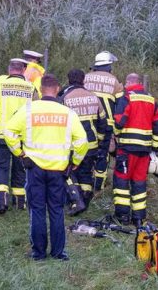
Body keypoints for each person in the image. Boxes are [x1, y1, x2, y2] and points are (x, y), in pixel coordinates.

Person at [4, 74, 88, 261]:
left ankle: (38, 253)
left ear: (41, 89)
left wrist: (21, 154)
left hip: (34, 168)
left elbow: (8, 132)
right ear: (58, 89)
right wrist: (75, 162)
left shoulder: (28, 109)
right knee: (57, 210)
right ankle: (59, 253)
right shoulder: (68, 113)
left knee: (37, 210)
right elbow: (82, 141)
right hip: (59, 169)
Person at [0, 58, 39, 213]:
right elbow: (37, 112)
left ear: (9, 69)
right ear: (23, 70)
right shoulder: (31, 88)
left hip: (1, 136)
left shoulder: (0, 84)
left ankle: (2, 202)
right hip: (22, 138)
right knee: (20, 169)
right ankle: (20, 203)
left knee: (0, 168)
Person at [112, 73, 158, 226]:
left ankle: (122, 217)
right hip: (144, 151)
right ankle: (139, 218)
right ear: (140, 83)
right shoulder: (151, 100)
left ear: (128, 83)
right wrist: (155, 147)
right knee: (139, 183)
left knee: (121, 182)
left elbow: (120, 121)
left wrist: (114, 134)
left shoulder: (127, 97)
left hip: (127, 150)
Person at [59, 69, 110, 214]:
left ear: (69, 80)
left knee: (69, 172)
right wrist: (99, 140)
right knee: (86, 173)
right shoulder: (94, 97)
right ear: (83, 80)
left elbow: (62, 122)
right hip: (91, 144)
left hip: (73, 145)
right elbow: (102, 123)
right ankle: (86, 198)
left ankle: (76, 201)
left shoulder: (65, 98)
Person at [83, 51, 124, 191]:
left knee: (85, 151)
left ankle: (84, 183)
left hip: (85, 122)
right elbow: (120, 104)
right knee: (103, 154)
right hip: (106, 124)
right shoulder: (114, 81)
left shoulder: (85, 78)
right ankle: (98, 187)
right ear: (108, 67)